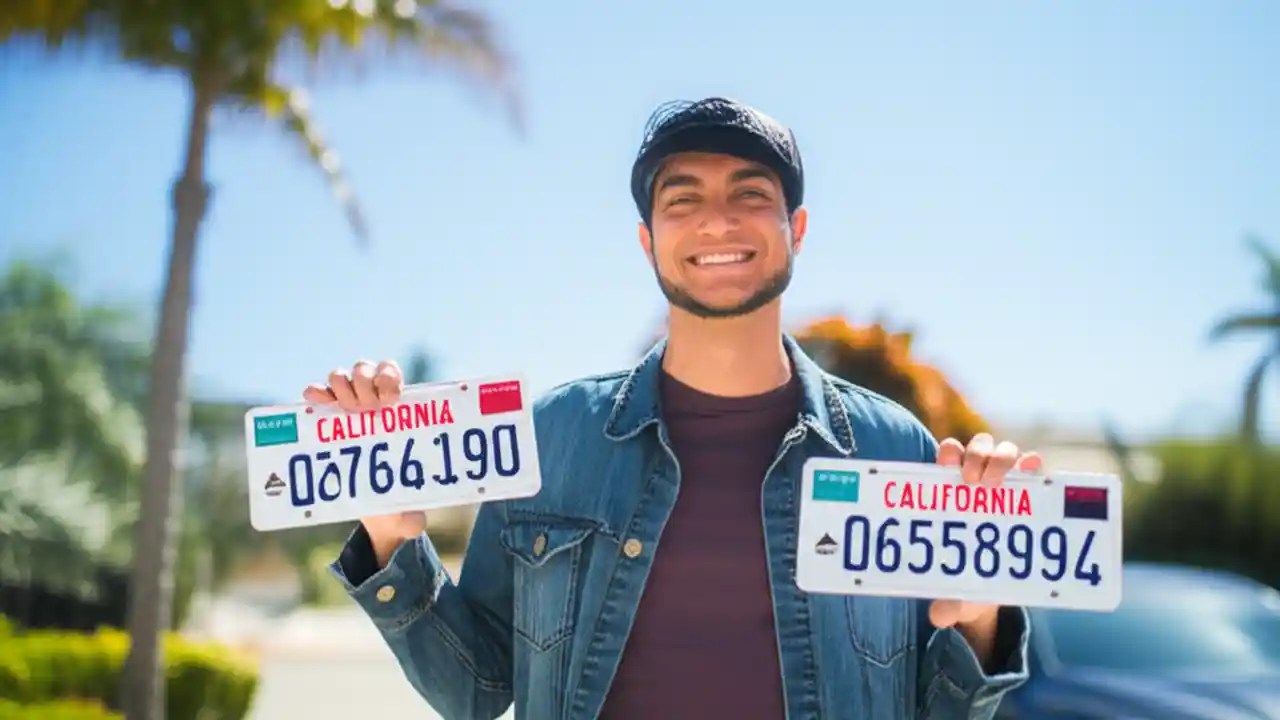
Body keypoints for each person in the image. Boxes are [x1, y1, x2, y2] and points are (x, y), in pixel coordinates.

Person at [306, 97, 1043, 720]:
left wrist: (979, 616)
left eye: (750, 195)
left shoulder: (895, 448)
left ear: (798, 230)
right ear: (647, 240)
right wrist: (391, 538)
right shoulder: (554, 437)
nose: (717, 222)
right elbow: (473, 689)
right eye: (683, 200)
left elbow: (944, 709)